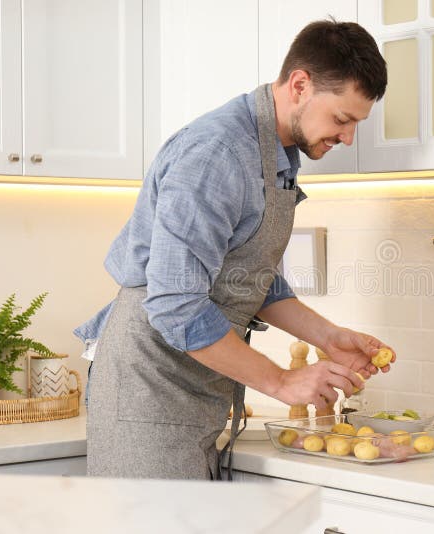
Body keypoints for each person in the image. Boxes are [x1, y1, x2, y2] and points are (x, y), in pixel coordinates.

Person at [74, 19, 392, 480]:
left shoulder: (277, 154)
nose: (347, 138)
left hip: (197, 395)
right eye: (342, 119)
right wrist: (280, 381)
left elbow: (247, 275)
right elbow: (175, 301)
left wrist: (326, 336)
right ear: (300, 85)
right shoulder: (218, 153)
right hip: (147, 396)